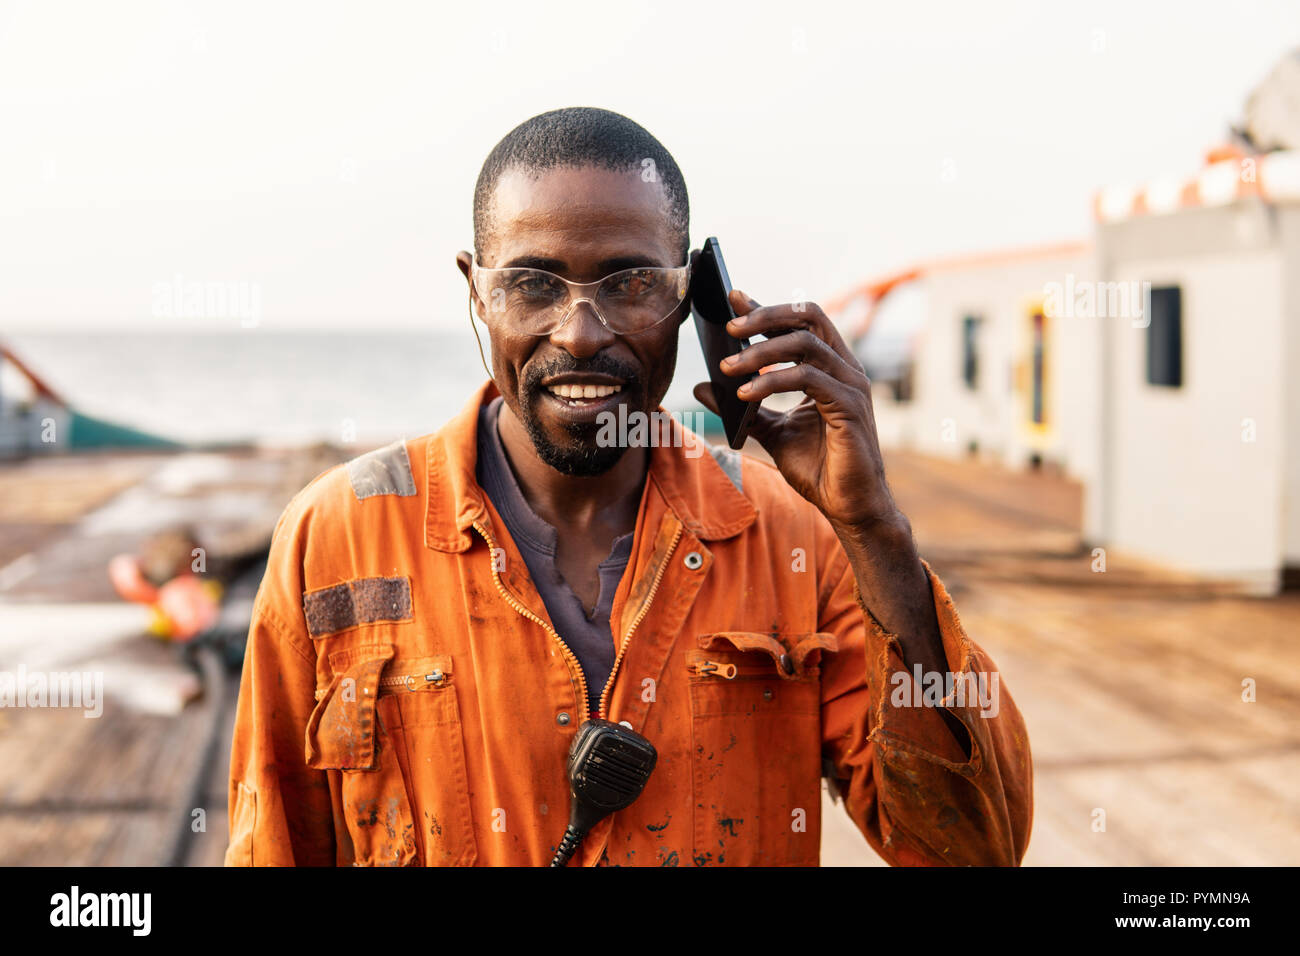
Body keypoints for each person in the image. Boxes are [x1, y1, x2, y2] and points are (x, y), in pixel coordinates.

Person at [225, 107, 1032, 867]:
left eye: (629, 283)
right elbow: (273, 845)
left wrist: (876, 531)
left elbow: (972, 851)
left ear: (692, 300)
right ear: (477, 289)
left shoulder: (798, 539)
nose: (579, 332)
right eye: (533, 283)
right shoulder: (335, 539)